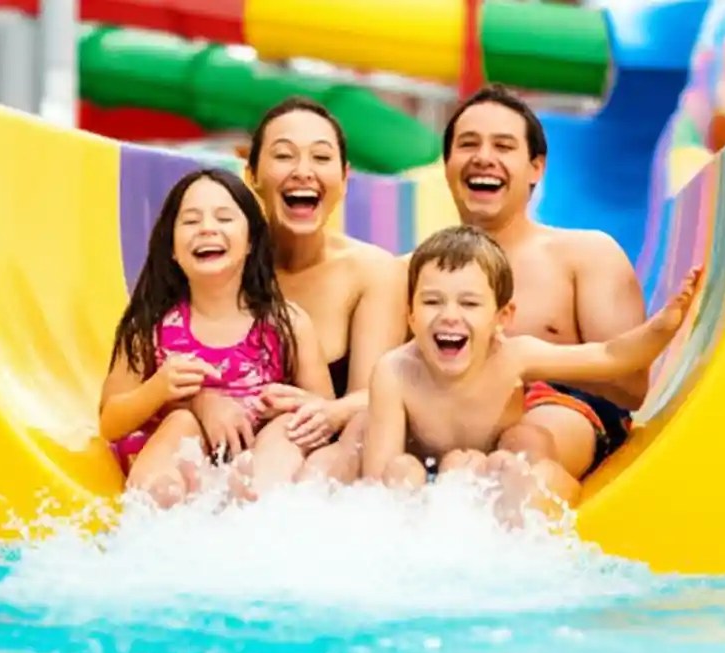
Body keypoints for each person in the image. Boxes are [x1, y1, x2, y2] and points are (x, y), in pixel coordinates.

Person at [363, 226, 701, 524]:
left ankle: (539, 518)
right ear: (410, 316)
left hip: (502, 463)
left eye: (469, 304)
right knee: (404, 472)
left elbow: (609, 355)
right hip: (445, 472)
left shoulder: (513, 356)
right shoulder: (394, 373)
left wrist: (662, 326)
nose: (449, 316)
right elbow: (375, 481)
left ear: (502, 318)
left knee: (515, 463)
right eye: (432, 302)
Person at [440, 84, 651, 494]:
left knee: (523, 446)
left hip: (561, 415)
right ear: (447, 162)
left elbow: (633, 387)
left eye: (503, 146)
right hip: (456, 419)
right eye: (468, 144)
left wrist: (527, 362)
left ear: (536, 167)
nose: (484, 158)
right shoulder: (417, 271)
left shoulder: (586, 255)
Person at [189, 97, 408, 481]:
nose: (303, 172)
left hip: (328, 457)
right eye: (284, 156)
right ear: (251, 173)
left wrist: (328, 412)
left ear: (344, 177)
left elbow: (378, 395)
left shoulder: (373, 272)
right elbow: (163, 356)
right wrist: (203, 401)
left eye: (321, 158)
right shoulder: (218, 260)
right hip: (229, 444)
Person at [98, 168, 334, 508]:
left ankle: (256, 498)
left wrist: (296, 403)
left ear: (251, 240)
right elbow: (110, 421)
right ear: (172, 249)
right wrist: (158, 389)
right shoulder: (150, 327)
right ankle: (160, 498)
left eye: (224, 218)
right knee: (180, 420)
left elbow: (323, 411)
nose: (207, 228)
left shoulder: (286, 324)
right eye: (191, 221)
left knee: (289, 426)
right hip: (176, 458)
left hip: (257, 452)